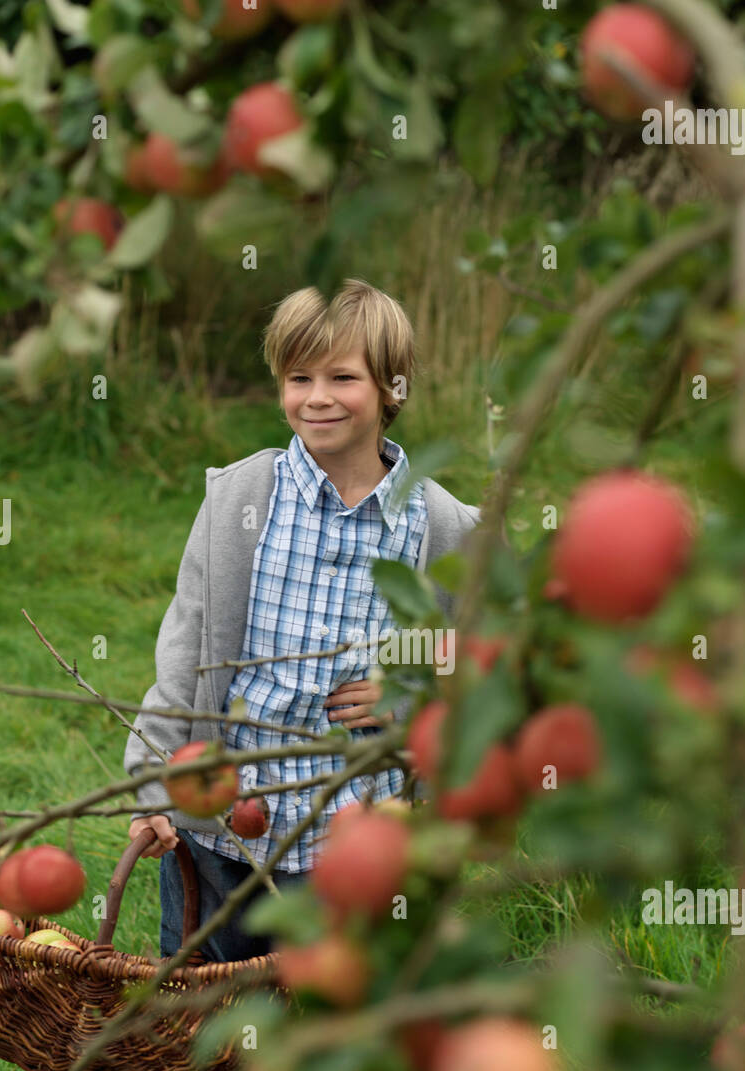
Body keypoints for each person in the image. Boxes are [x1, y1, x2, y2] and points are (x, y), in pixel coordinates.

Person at [125, 279, 480, 963]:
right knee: (198, 1019)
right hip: (223, 824)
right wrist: (149, 783)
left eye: (342, 377)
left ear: (391, 390)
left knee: (326, 1016)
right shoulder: (238, 500)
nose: (316, 397)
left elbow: (486, 658)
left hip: (354, 832)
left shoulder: (442, 527)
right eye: (298, 377)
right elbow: (184, 653)